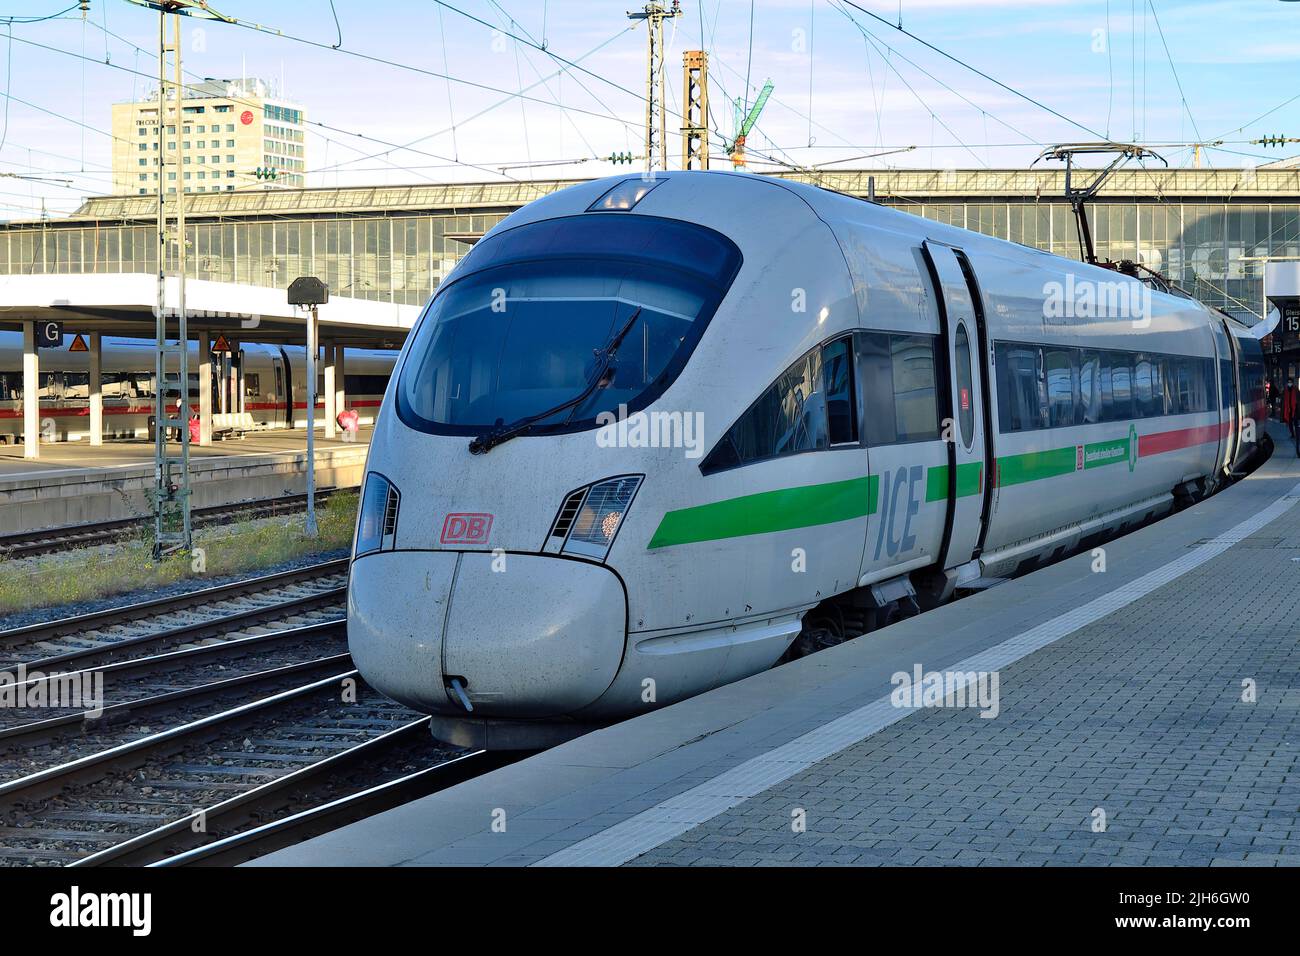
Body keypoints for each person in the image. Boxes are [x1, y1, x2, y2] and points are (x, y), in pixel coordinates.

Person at [1284, 379, 1299, 456]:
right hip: (1289, 409)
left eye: (1290, 382)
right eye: (1288, 382)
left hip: (1295, 409)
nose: (1289, 383)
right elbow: (1285, 400)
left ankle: (1296, 434)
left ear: (1292, 383)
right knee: (1290, 422)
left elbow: (1298, 400)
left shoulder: (1296, 390)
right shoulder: (1286, 390)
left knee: (1295, 423)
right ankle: (1292, 434)